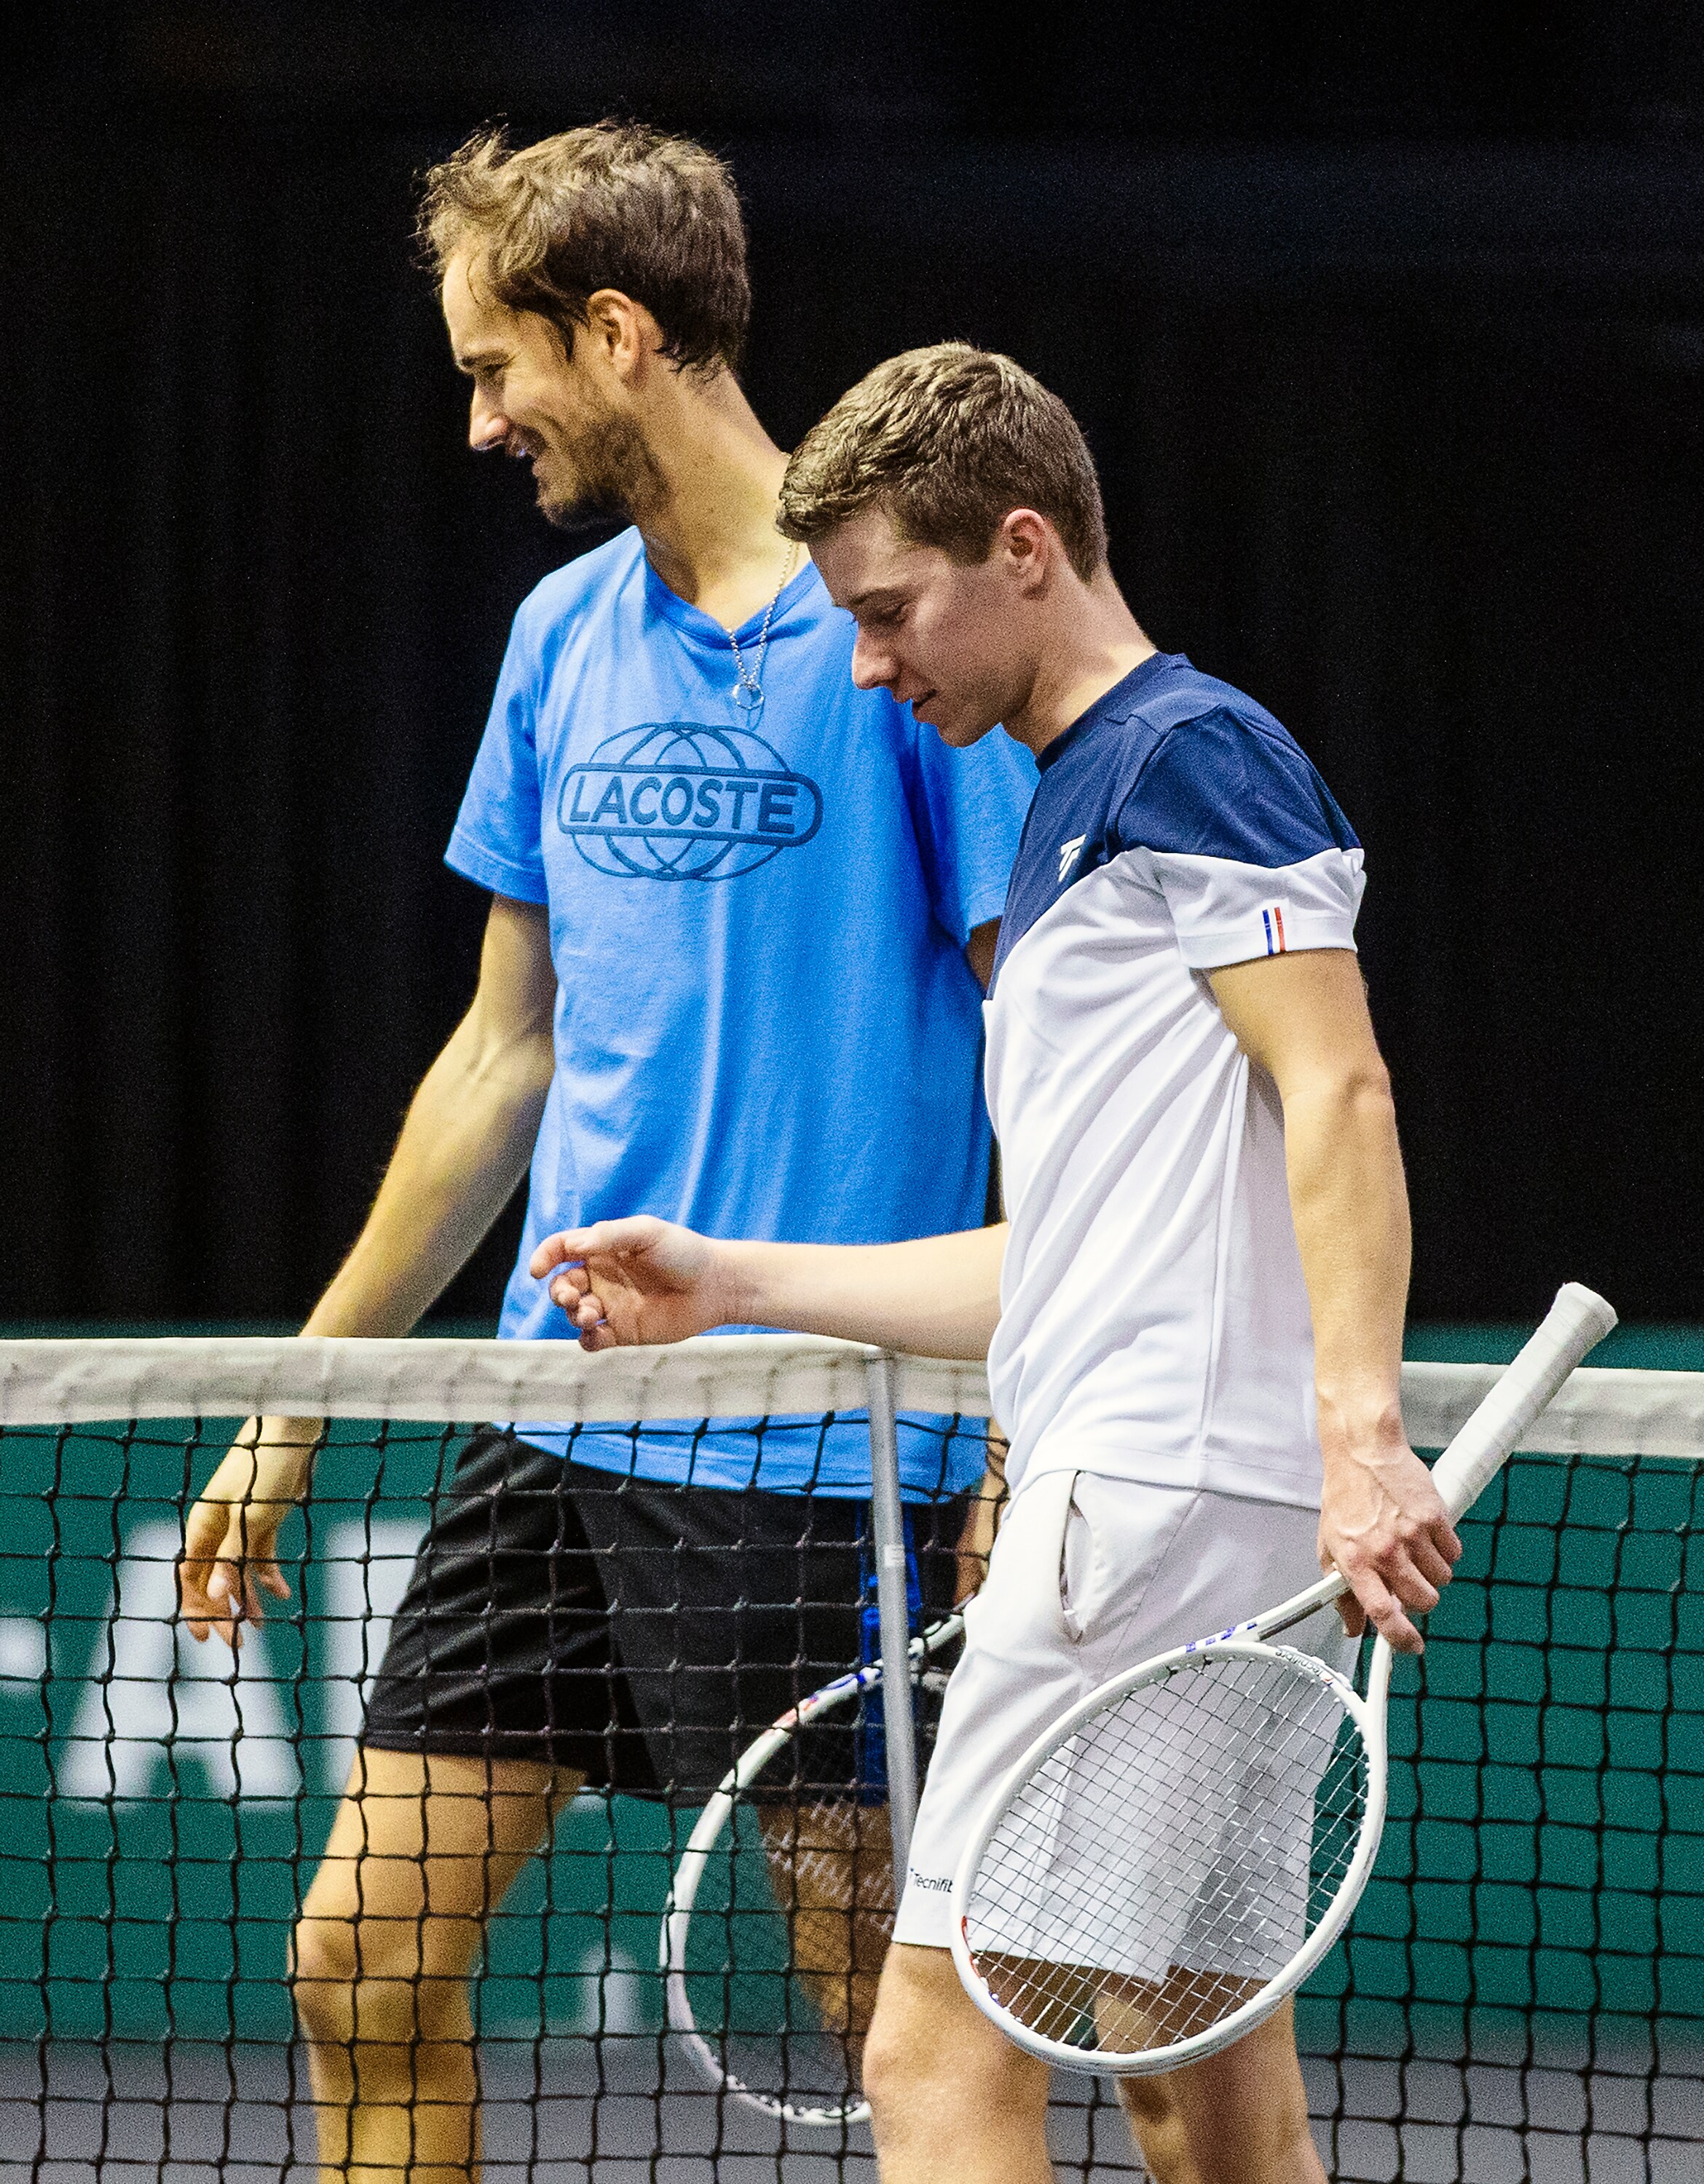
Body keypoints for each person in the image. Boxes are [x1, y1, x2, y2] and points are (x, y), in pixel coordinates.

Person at [176, 138, 1033, 2184]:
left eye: (499, 370)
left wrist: (1011, 1430)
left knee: (901, 2035)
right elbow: (501, 1054)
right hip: (555, 1427)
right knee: (360, 1962)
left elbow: (1050, 1061)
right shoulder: (562, 634)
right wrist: (302, 1404)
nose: (479, 422)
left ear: (620, 337)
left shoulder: (899, 644)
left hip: (829, 1441)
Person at [528, 343, 1464, 2184]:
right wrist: (735, 1277)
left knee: (937, 2055)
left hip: (1151, 1505)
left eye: (890, 615)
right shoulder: (1077, 804)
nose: (871, 666)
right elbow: (1065, 1259)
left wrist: (1366, 1434)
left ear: (1023, 547)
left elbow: (1341, 1084)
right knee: (1211, 2059)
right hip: (1193, 1493)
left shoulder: (1190, 758)